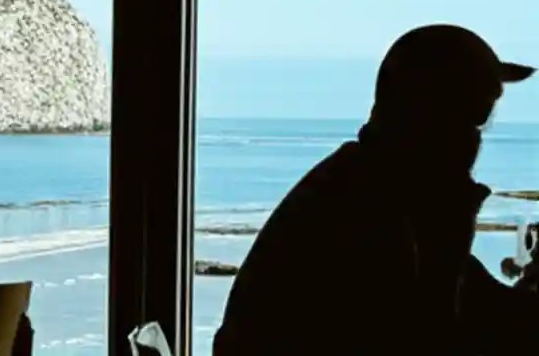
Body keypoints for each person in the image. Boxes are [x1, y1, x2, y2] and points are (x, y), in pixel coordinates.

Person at [214, 24, 539, 355]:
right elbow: (430, 334)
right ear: (429, 112)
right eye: (476, 117)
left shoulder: (374, 188)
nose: (475, 140)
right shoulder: (366, 210)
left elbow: (486, 312)